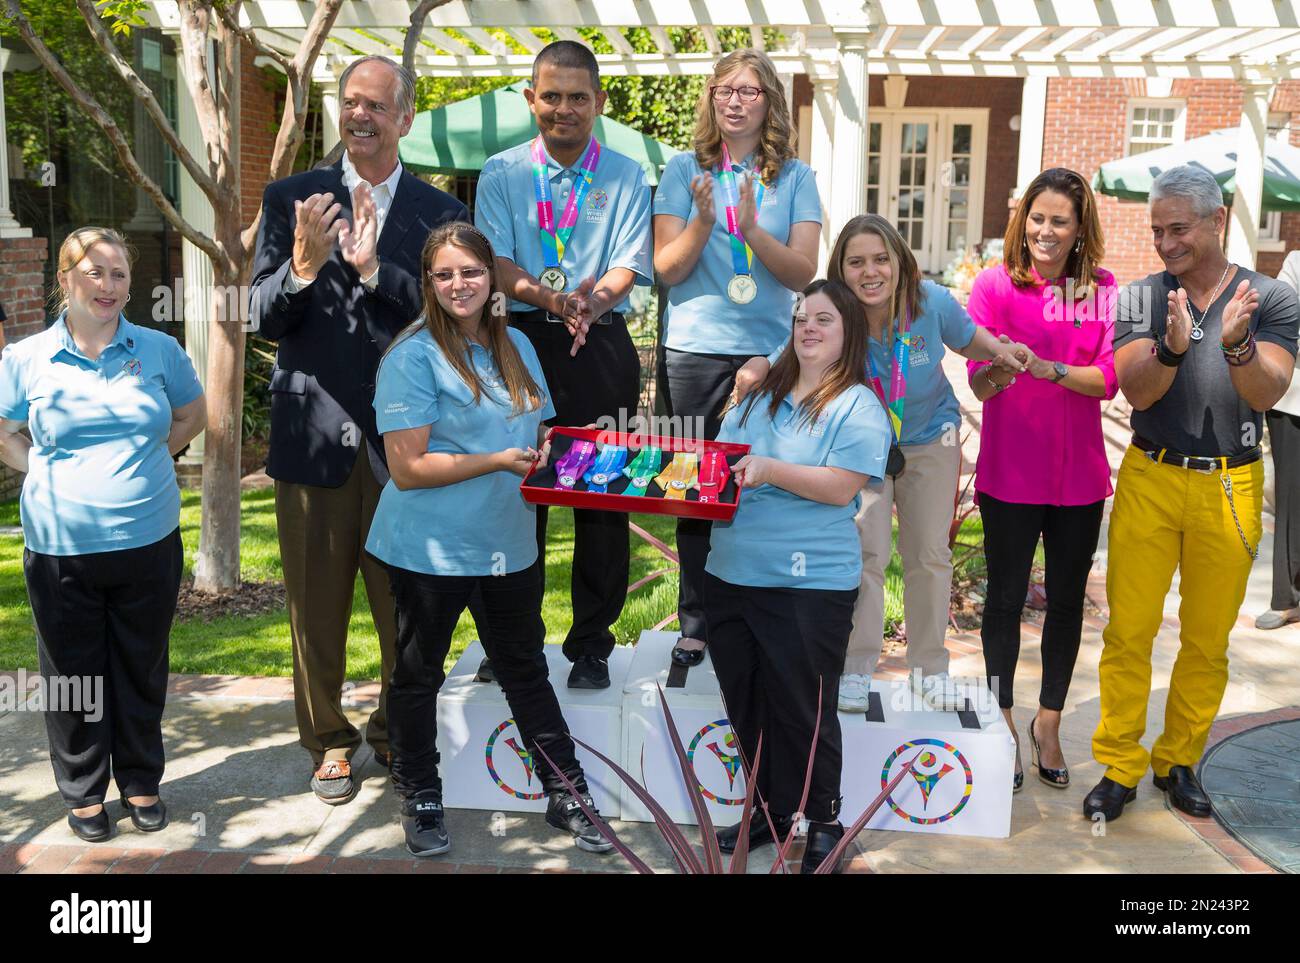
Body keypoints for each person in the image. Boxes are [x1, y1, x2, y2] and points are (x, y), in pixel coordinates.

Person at [249, 55, 468, 805]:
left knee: (406, 613)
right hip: (312, 437)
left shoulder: (440, 210)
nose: (360, 115)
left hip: (402, 444)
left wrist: (376, 272)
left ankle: (393, 732)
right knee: (314, 610)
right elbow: (258, 316)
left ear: (405, 117)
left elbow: (450, 317)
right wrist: (304, 270)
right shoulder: (290, 198)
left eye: (376, 104)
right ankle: (329, 742)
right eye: (349, 101)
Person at [365, 222, 613, 856]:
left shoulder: (520, 347)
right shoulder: (410, 356)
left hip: (509, 543)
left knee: (525, 670)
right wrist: (497, 460)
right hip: (430, 549)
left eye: (471, 271)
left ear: (491, 278)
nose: (459, 284)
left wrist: (569, 452)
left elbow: (543, 428)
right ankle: (420, 794)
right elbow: (407, 469)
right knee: (418, 675)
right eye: (444, 274)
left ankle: (567, 794)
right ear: (428, 282)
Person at [736, 215, 1027, 713]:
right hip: (861, 449)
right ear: (841, 270)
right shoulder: (836, 311)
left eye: (879, 259)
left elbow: (969, 340)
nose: (870, 272)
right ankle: (856, 667)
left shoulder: (930, 302)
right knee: (865, 555)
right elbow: (787, 347)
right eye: (856, 262)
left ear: (898, 261)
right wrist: (757, 366)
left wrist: (1003, 352)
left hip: (932, 437)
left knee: (929, 555)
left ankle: (929, 669)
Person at [1087, 166, 1299, 822]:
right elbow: (1137, 390)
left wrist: (1237, 345)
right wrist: (1173, 350)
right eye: (1157, 229)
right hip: (1151, 476)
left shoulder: (1272, 298)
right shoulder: (1139, 298)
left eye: (1178, 228)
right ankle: (1119, 763)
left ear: (1216, 221)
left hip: (1231, 484)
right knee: (1129, 630)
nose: (1165, 242)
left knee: (1207, 638)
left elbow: (1267, 393)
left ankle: (1178, 758)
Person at [0, 227, 206, 842]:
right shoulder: (26, 359)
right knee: (74, 676)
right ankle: (84, 794)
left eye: (119, 274)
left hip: (148, 538)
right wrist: (39, 466)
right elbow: (5, 430)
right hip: (60, 547)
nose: (109, 286)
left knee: (141, 668)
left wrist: (153, 456)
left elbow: (192, 414)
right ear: (65, 280)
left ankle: (142, 782)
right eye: (95, 273)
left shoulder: (159, 349)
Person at [474, 40, 652, 690]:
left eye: (579, 97)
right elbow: (495, 262)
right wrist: (553, 299)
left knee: (600, 498)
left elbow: (631, 261)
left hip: (599, 343)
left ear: (599, 102)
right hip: (520, 340)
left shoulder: (628, 174)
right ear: (531, 99)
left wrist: (589, 302)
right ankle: (510, 640)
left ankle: (592, 646)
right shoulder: (501, 172)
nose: (564, 108)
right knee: (516, 496)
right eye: (551, 95)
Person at [706, 279, 890, 874]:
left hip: (808, 587)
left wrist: (770, 469)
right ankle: (773, 809)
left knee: (804, 712)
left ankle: (825, 821)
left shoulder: (858, 404)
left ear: (848, 334)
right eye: (800, 319)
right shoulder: (759, 397)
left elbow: (841, 486)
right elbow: (717, 468)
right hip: (733, 575)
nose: (808, 328)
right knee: (748, 703)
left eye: (824, 320)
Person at [652, 48, 820, 668]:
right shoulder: (682, 168)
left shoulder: (795, 177)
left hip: (771, 350)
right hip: (693, 350)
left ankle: (760, 611)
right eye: (724, 89)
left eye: (749, 91)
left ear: (769, 101)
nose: (735, 100)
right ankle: (696, 621)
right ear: (711, 99)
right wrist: (702, 224)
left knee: (765, 484)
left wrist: (751, 230)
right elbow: (665, 271)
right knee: (695, 490)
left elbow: (803, 273)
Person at [966, 168, 1118, 793]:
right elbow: (978, 382)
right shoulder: (994, 286)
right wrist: (1003, 368)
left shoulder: (1104, 290)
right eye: (1037, 217)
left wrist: (1050, 368)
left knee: (1065, 603)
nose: (1045, 231)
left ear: (1081, 229)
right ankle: (1001, 716)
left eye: (1060, 220)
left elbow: (1107, 379)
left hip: (1079, 477)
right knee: (1002, 600)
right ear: (1021, 219)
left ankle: (1048, 723)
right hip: (1009, 472)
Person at [1256, 249, 1300, 629]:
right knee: (1291, 502)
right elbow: (1282, 322)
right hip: (1295, 404)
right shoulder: (1296, 263)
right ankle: (1287, 598)